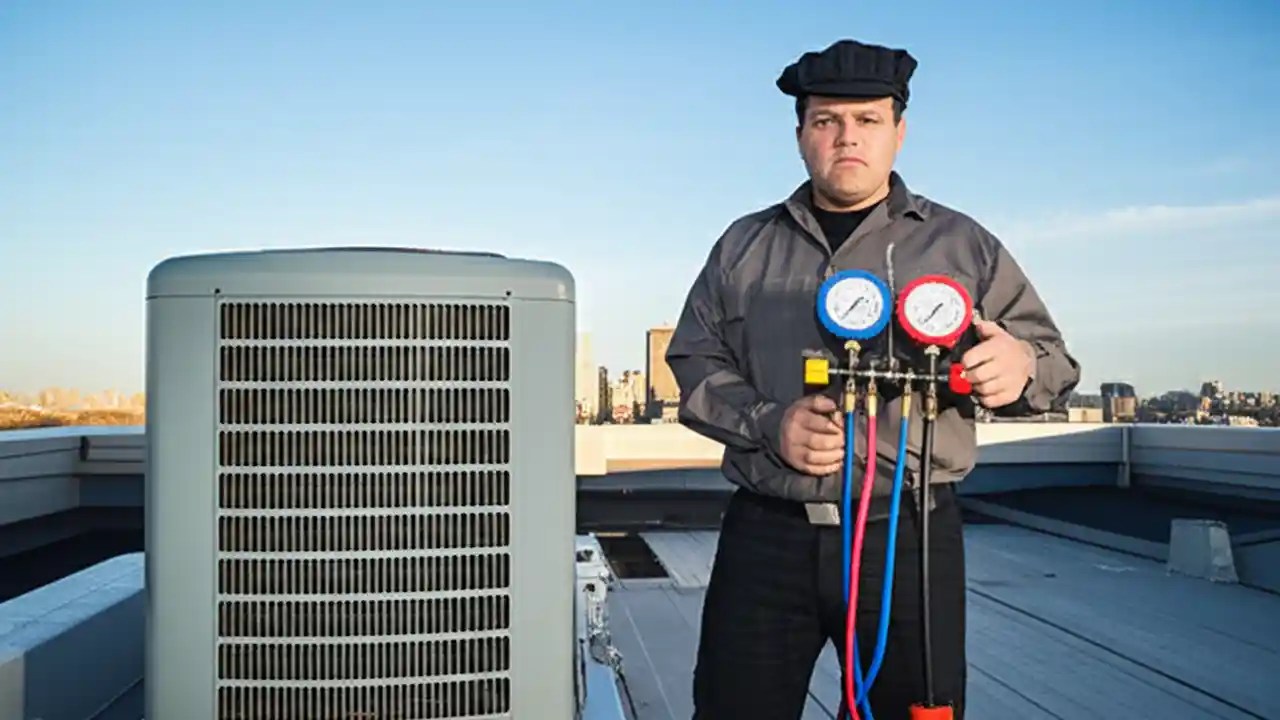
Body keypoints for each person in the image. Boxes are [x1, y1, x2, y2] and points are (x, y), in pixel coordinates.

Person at [666, 38, 1081, 720]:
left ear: (899, 132)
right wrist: (770, 422)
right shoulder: (743, 247)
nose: (846, 138)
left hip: (909, 536)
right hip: (769, 537)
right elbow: (694, 363)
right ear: (801, 133)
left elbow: (1055, 364)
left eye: (868, 120)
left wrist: (1021, 366)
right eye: (827, 121)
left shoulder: (961, 245)